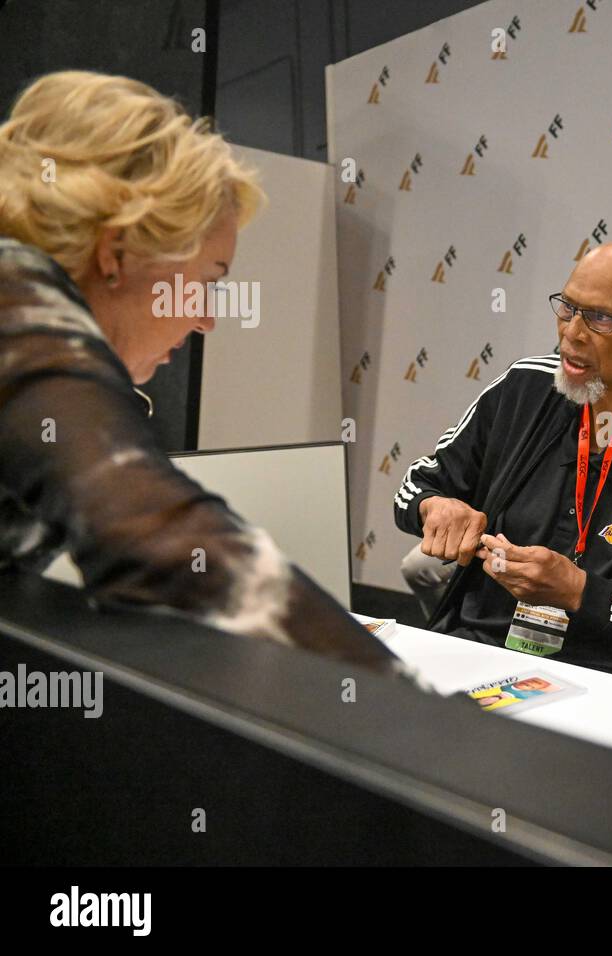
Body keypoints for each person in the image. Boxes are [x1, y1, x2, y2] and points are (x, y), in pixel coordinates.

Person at [0, 71, 396, 671]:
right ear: (117, 250)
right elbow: (156, 541)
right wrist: (399, 699)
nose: (208, 319)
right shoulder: (12, 296)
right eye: (208, 281)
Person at [394, 241, 612, 693]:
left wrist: (581, 591)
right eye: (567, 308)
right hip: (489, 650)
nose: (572, 334)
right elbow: (415, 486)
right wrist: (435, 506)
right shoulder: (523, 388)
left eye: (599, 318)